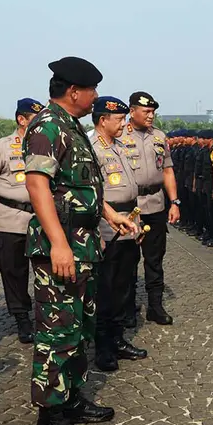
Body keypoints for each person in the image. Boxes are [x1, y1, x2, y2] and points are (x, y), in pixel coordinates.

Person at [23, 56, 137, 425]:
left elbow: (80, 187)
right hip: (62, 244)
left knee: (78, 328)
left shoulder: (71, 127)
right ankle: (49, 420)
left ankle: (70, 398)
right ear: (74, 91)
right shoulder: (48, 126)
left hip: (82, 242)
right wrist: (58, 243)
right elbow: (37, 185)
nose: (95, 97)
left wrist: (109, 215)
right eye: (92, 90)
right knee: (57, 332)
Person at [0, 97, 45, 345]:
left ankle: (47, 316)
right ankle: (22, 318)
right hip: (9, 220)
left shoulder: (46, 146)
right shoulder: (3, 147)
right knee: (14, 273)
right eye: (35, 120)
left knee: (47, 271)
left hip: (42, 220)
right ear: (21, 120)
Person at [90, 96, 148, 372]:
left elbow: (131, 191)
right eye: (119, 119)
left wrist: (138, 224)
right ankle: (103, 346)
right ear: (103, 120)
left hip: (129, 223)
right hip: (107, 225)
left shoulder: (121, 147)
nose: (124, 124)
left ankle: (118, 339)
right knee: (105, 288)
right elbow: (92, 194)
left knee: (124, 287)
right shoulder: (92, 149)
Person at [124, 91, 179, 325]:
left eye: (153, 111)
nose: (151, 116)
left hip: (155, 204)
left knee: (155, 259)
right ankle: (127, 307)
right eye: (146, 111)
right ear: (132, 111)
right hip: (129, 207)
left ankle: (155, 306)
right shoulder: (119, 135)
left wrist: (174, 202)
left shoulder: (159, 136)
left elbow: (167, 170)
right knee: (127, 260)